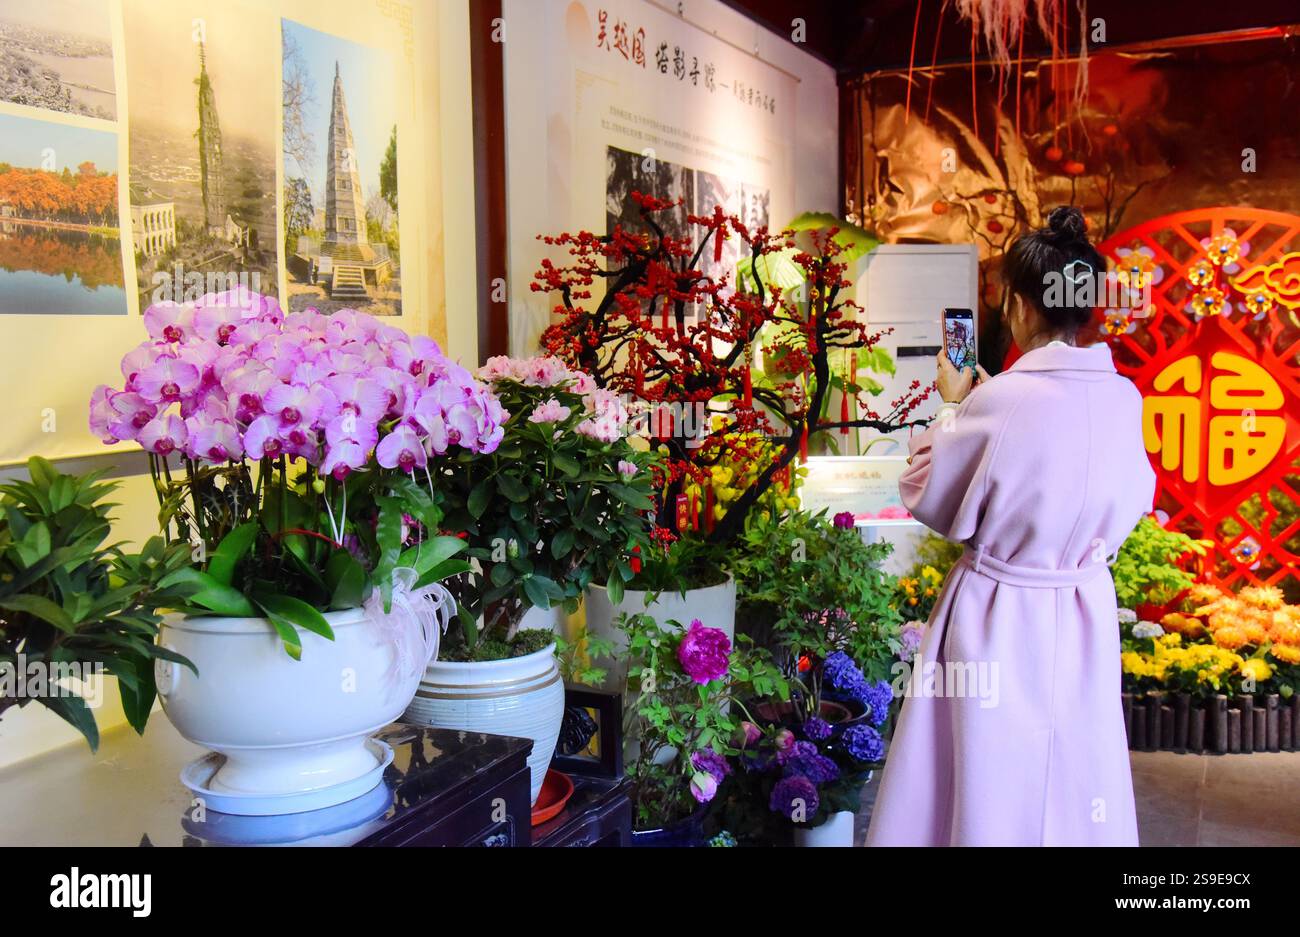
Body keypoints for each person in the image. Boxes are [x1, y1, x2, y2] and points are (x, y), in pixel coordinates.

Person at [866, 206, 1155, 846]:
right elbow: (1124, 494)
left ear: (1020, 306)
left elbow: (927, 491)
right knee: (1077, 766)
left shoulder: (998, 403)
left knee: (984, 771)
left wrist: (951, 405)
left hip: (996, 609)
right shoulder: (1121, 399)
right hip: (1082, 604)